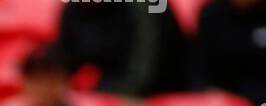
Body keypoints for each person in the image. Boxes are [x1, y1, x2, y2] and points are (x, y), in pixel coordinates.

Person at [58, 0, 191, 99]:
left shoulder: (147, 8)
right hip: (104, 93)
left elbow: (142, 78)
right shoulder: (73, 9)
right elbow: (64, 60)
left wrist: (95, 92)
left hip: (156, 96)